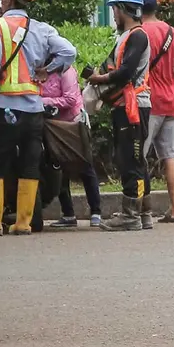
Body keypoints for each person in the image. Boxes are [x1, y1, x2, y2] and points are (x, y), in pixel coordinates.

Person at [0, 0, 75, 237]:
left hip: (6, 109)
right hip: (34, 112)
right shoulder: (42, 29)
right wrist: (48, 70)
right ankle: (23, 223)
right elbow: (70, 52)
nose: (0, 0)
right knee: (30, 163)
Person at [86, 0, 150, 232]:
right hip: (127, 105)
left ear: (125, 9)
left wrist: (99, 80)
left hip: (133, 107)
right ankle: (143, 212)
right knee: (133, 160)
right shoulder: (126, 38)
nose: (113, 14)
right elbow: (112, 66)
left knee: (130, 160)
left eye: (115, 9)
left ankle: (131, 215)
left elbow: (125, 73)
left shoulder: (138, 36)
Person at [139, 0, 174, 225]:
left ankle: (140, 208)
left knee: (140, 156)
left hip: (149, 102)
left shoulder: (139, 33)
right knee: (170, 156)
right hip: (170, 102)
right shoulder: (171, 32)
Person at [40, 66, 104, 228]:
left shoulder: (66, 71)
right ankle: (68, 214)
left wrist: (42, 101)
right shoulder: (41, 72)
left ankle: (96, 211)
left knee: (85, 166)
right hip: (55, 125)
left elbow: (70, 99)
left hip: (74, 123)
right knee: (59, 165)